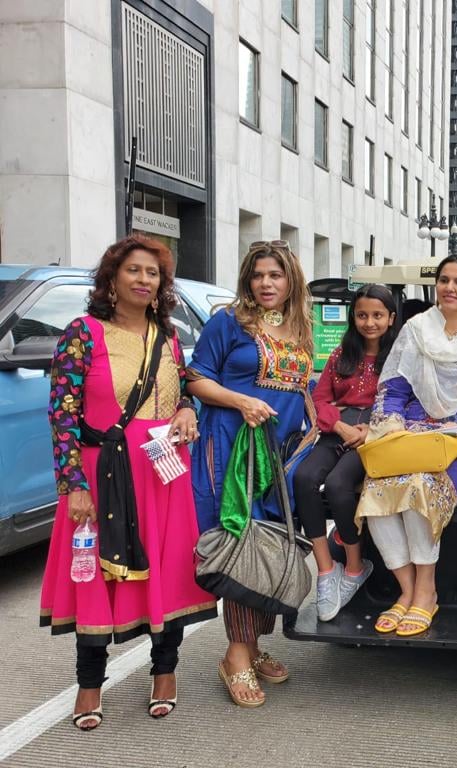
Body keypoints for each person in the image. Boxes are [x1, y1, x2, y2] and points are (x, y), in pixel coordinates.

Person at [41, 235, 217, 730]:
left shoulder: (168, 336)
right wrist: (73, 483)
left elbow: (180, 389)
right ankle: (89, 684)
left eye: (153, 273)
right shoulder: (83, 333)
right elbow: (62, 414)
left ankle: (165, 673)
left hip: (163, 474)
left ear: (162, 284)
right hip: (100, 475)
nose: (144, 279)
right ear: (112, 279)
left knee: (169, 574)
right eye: (133, 270)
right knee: (93, 578)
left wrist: (187, 408)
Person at [187, 240, 315, 709]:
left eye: (275, 275)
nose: (266, 283)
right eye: (258, 275)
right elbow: (195, 377)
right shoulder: (228, 321)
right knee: (242, 545)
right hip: (234, 450)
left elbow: (303, 388)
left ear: (290, 281)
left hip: (281, 456)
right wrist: (242, 401)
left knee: (270, 546)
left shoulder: (299, 327)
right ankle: (236, 655)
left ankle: (254, 646)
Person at [355, 253, 457, 637]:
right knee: (376, 487)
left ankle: (427, 591)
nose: (450, 288)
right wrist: (392, 428)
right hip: (411, 431)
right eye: (444, 280)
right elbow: (394, 388)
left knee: (420, 485)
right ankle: (407, 591)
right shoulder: (416, 330)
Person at [293, 285, 397, 621]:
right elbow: (320, 398)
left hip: (375, 435)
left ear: (391, 318)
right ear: (354, 317)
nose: (370, 322)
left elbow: (405, 402)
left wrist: (371, 432)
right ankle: (326, 568)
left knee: (339, 485)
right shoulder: (342, 355)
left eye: (377, 315)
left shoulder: (399, 357)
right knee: (304, 477)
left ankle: (354, 565)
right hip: (336, 429)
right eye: (362, 315)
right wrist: (339, 426)